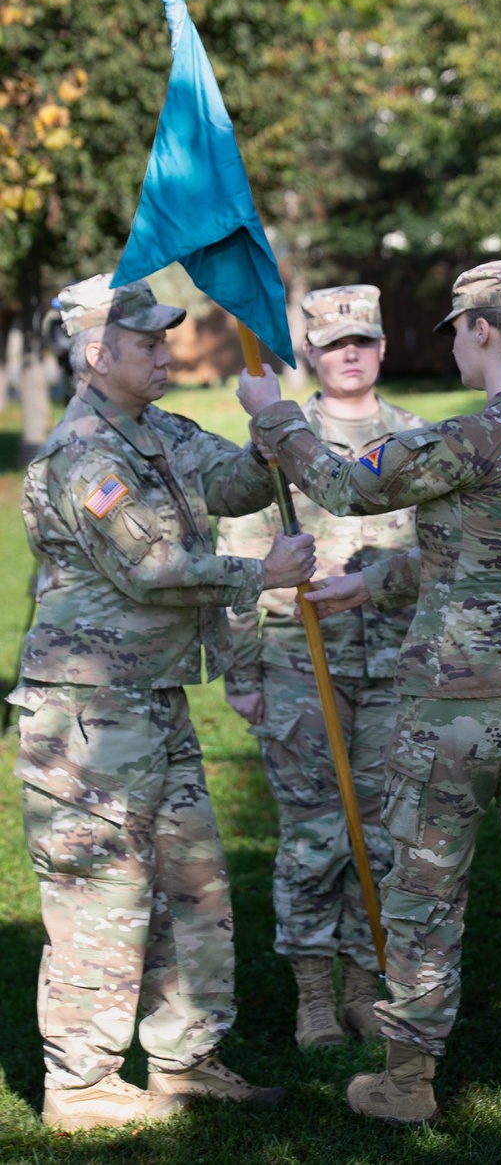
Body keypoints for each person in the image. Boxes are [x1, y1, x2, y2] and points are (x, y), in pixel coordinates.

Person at [236, 260, 501, 1133]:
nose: (455, 349)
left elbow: (347, 487)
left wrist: (273, 416)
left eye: (455, 332)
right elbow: (493, 557)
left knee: (426, 894)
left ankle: (406, 1083)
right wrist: (382, 581)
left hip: (460, 705)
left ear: (479, 331)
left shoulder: (470, 436)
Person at [9, 274, 315, 1132]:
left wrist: (269, 432)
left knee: (195, 887)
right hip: (87, 718)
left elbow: (234, 486)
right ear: (97, 353)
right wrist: (261, 573)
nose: (166, 353)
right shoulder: (83, 456)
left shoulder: (158, 432)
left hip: (153, 701)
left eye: (164, 338)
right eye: (147, 342)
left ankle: (187, 1059)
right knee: (101, 896)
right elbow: (148, 570)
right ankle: (82, 1083)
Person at [217, 285, 423, 1046]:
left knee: (382, 833)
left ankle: (366, 983)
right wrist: (241, 674)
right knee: (312, 833)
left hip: (396, 665)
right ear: (307, 351)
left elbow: (442, 550)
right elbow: (238, 552)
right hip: (299, 663)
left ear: (382, 347)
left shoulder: (418, 436)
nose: (349, 354)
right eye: (334, 342)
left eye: (362, 340)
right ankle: (311, 991)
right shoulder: (280, 436)